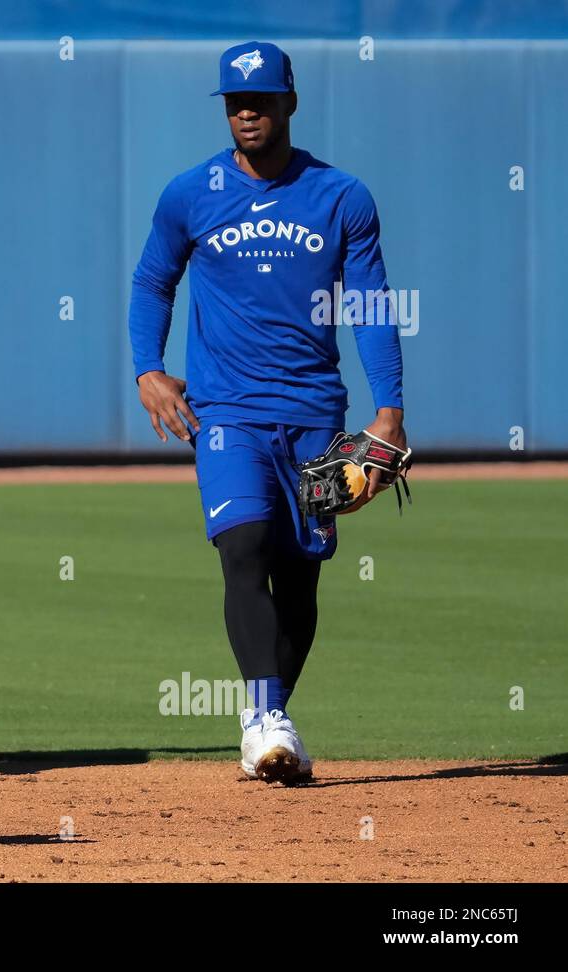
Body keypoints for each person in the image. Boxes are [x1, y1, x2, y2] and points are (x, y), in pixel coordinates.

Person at [127, 42, 407, 783]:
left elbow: (371, 305)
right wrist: (148, 370)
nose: (245, 112)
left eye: (259, 100)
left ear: (289, 102)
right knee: (243, 545)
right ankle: (265, 716)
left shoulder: (341, 196)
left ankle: (265, 714)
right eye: (233, 102)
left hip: (315, 412)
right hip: (227, 409)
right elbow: (152, 281)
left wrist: (390, 411)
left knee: (301, 572)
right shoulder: (191, 193)